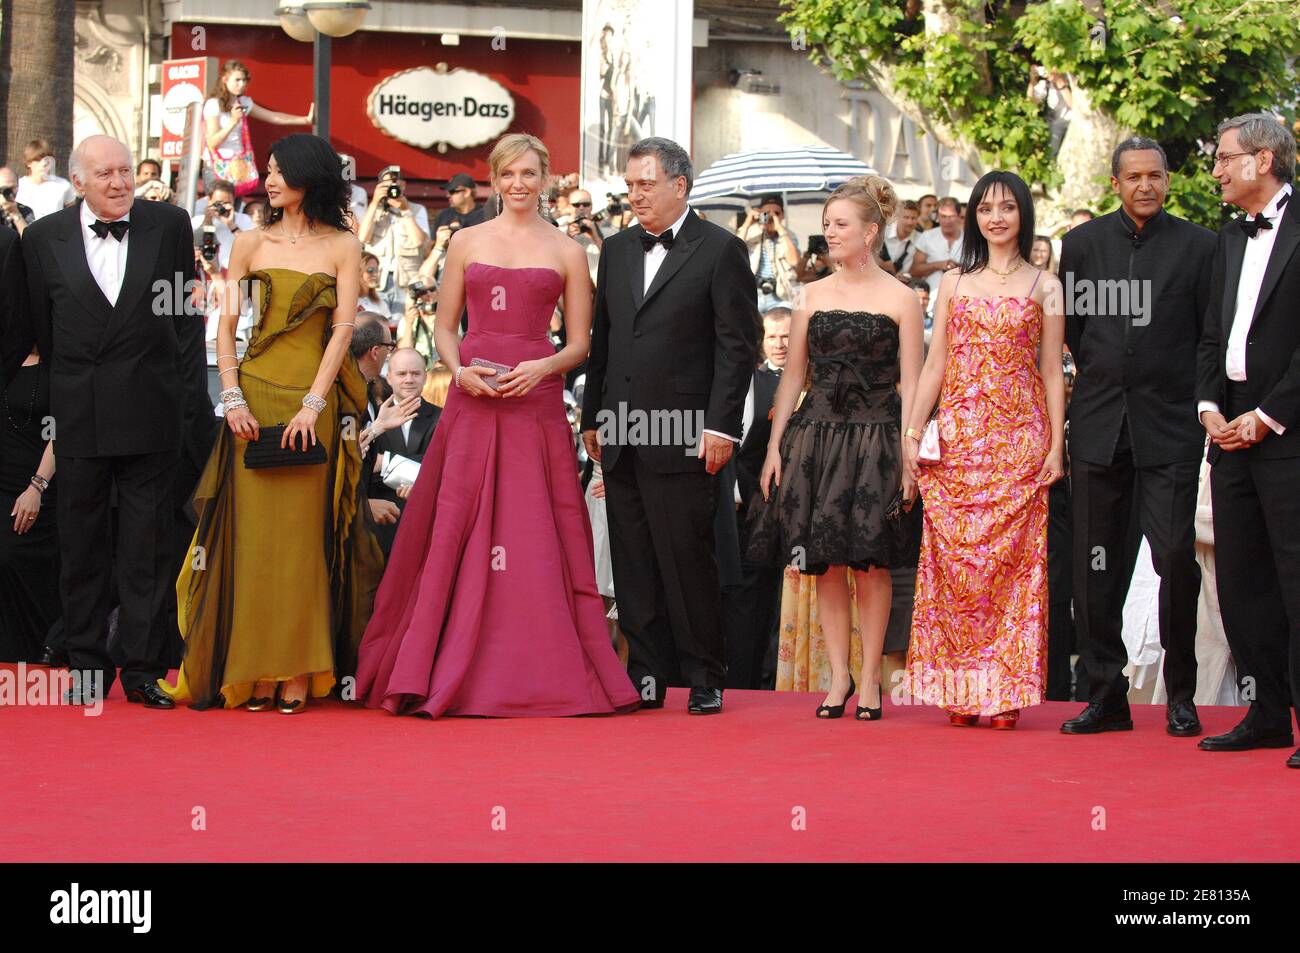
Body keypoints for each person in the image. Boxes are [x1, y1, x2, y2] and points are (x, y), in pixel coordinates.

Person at [355, 132, 638, 718]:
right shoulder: (464, 241)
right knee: (457, 520)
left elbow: (583, 342)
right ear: (493, 177)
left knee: (536, 526)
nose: (518, 184)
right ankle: (435, 662)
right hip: (473, 396)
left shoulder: (567, 250)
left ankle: (536, 666)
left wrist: (544, 365)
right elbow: (446, 328)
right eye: (508, 173)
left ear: (547, 179)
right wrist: (459, 373)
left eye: (531, 174)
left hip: (535, 399)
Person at [162, 133, 381, 714]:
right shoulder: (248, 244)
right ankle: (251, 669)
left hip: (314, 402)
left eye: (280, 171)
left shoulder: (343, 246)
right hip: (252, 401)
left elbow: (341, 330)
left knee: (302, 542)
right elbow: (227, 322)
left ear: (310, 176)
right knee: (254, 544)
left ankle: (299, 670)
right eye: (268, 171)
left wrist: (314, 404)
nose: (270, 180)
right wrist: (231, 396)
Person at [21, 135, 210, 706]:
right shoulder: (40, 239)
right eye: (105, 173)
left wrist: (179, 402)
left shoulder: (171, 224)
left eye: (126, 171)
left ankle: (144, 668)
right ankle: (85, 666)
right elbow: (39, 328)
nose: (120, 182)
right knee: (81, 546)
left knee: (147, 548)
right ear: (77, 182)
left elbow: (184, 318)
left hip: (152, 414)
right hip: (79, 416)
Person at [581, 136, 758, 714]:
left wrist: (720, 427)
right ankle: (646, 675)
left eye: (646, 184)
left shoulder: (721, 250)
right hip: (622, 430)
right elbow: (602, 340)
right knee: (632, 560)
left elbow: (737, 348)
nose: (635, 195)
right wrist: (591, 417)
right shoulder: (616, 250)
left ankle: (705, 675)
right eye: (630, 185)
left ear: (680, 186)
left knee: (687, 557)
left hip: (685, 431)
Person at [749, 176, 924, 719]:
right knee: (822, 561)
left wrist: (911, 450)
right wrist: (776, 445)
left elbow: (914, 384)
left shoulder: (903, 298)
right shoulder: (811, 294)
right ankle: (839, 677)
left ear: (870, 231)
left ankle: (871, 677)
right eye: (826, 225)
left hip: (877, 439)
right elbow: (793, 373)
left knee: (872, 564)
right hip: (816, 438)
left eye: (840, 224)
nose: (829, 233)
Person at [1058, 137, 1216, 737]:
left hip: (1170, 428)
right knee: (1094, 568)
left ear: (1168, 180)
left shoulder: (1200, 247)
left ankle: (1181, 694)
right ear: (1115, 182)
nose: (1145, 186)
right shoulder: (1081, 245)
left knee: (1176, 557)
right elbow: (1073, 332)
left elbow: (1208, 335)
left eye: (1155, 176)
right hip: (1098, 427)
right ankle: (1106, 694)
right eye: (1134, 177)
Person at [902, 170, 1067, 728]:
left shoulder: (1046, 285)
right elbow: (935, 365)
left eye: (1007, 208)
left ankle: (1003, 691)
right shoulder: (953, 281)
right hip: (957, 444)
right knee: (955, 567)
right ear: (974, 217)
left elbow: (1051, 371)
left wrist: (1055, 444)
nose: (996, 218)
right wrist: (912, 432)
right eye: (985, 209)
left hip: (1020, 443)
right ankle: (958, 686)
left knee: (1012, 570)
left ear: (1024, 215)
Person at [1195, 113, 1300, 766]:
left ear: (1262, 160)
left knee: (1296, 580)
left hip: (1288, 436)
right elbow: (1212, 331)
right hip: (1226, 435)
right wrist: (1208, 406)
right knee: (1240, 580)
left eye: (1225, 158)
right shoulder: (1229, 238)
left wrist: (1268, 413)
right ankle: (1265, 715)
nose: (1216, 171)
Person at [0, 341, 59, 663]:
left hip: (40, 487)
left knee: (13, 557)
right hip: (4, 483)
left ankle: (41, 648)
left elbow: (63, 429)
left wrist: (37, 486)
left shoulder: (58, 363)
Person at [366, 347, 440, 556]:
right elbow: (365, 468)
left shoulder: (443, 418)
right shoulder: (372, 417)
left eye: (415, 373)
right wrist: (415, 470)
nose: (409, 379)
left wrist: (386, 463)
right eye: (401, 374)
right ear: (388, 377)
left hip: (427, 522)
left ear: (425, 376)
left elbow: (441, 463)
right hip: (381, 522)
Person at [202, 60, 313, 192]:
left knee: (236, 208)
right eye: (237, 80)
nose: (241, 84)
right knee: (218, 206)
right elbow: (213, 142)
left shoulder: (243, 102)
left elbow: (273, 117)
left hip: (239, 165)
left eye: (244, 80)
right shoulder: (213, 104)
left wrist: (304, 120)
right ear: (225, 79)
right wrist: (233, 121)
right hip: (217, 165)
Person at [358, 166, 430, 320]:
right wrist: (375, 202)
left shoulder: (417, 209)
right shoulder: (374, 211)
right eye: (387, 185)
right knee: (376, 326)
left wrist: (405, 210)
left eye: (395, 184)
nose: (392, 188)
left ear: (403, 185)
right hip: (376, 281)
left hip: (405, 282)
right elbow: (362, 238)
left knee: (401, 328)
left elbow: (419, 241)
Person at [738, 193, 801, 310]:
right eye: (766, 213)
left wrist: (780, 230)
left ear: (783, 215)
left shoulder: (789, 236)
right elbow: (733, 253)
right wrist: (747, 223)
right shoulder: (752, 232)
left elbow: (794, 261)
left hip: (782, 294)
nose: (771, 217)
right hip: (754, 292)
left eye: (776, 214)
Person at [191, 179, 253, 271]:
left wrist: (231, 224)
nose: (222, 207)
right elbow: (195, 245)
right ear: (209, 200)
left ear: (233, 200)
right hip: (206, 273)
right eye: (218, 203)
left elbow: (251, 247)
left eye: (227, 203)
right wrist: (207, 221)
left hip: (234, 273)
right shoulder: (197, 221)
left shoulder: (245, 220)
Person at [910, 196, 964, 294]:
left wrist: (960, 268)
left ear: (958, 216)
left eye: (951, 216)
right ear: (937, 216)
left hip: (961, 297)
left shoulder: (970, 240)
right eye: (943, 216)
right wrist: (938, 265)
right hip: (931, 298)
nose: (947, 221)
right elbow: (914, 271)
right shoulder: (927, 237)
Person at [16, 141, 76, 220]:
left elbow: (73, 214)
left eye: (47, 160)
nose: (44, 163)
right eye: (38, 160)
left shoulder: (63, 185)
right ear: (28, 163)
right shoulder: (18, 186)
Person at [880, 198, 921, 276]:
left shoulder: (921, 239)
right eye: (906, 217)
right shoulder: (883, 232)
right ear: (897, 217)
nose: (910, 222)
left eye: (913, 218)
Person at [1, 167, 35, 237]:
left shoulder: (25, 211)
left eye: (13, 187)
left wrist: (15, 214)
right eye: (5, 189)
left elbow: (29, 241)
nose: (10, 193)